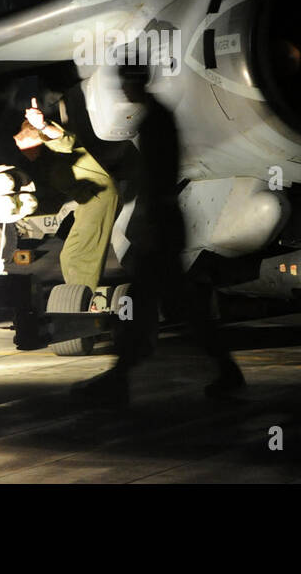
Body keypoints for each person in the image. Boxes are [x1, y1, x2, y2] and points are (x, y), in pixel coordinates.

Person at [71, 65, 243, 405]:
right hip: (161, 228)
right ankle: (224, 371)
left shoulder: (154, 123)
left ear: (135, 82)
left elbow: (156, 182)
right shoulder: (156, 118)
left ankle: (120, 379)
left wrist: (147, 228)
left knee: (148, 305)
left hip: (159, 231)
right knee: (176, 307)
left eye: (125, 83)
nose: (122, 91)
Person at [12, 99, 117, 292]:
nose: (20, 146)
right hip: (86, 201)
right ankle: (82, 295)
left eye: (24, 140)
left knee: (75, 255)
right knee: (69, 250)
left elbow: (63, 139)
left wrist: (41, 126)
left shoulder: (54, 144)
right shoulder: (47, 164)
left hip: (99, 196)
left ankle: (84, 300)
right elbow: (53, 202)